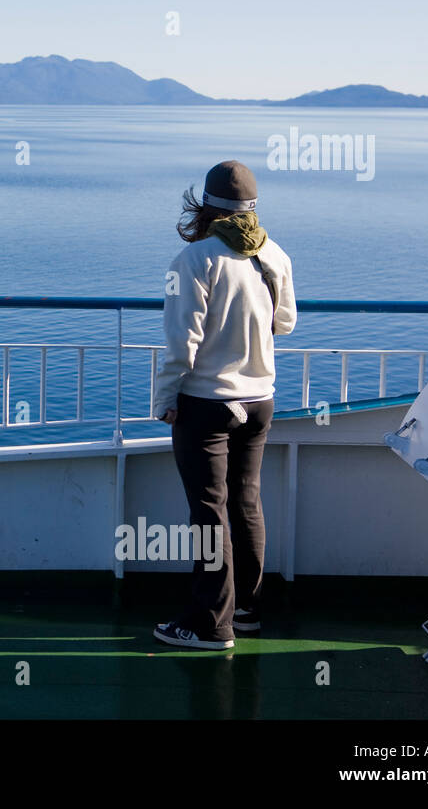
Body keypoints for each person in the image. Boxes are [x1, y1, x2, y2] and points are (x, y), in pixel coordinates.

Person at [151, 161, 296, 650]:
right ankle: (248, 610)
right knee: (246, 504)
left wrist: (166, 399)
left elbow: (180, 343)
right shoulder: (274, 253)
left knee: (210, 512)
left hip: (207, 405)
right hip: (259, 402)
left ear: (205, 205)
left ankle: (211, 625)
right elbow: (286, 323)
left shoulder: (194, 260)